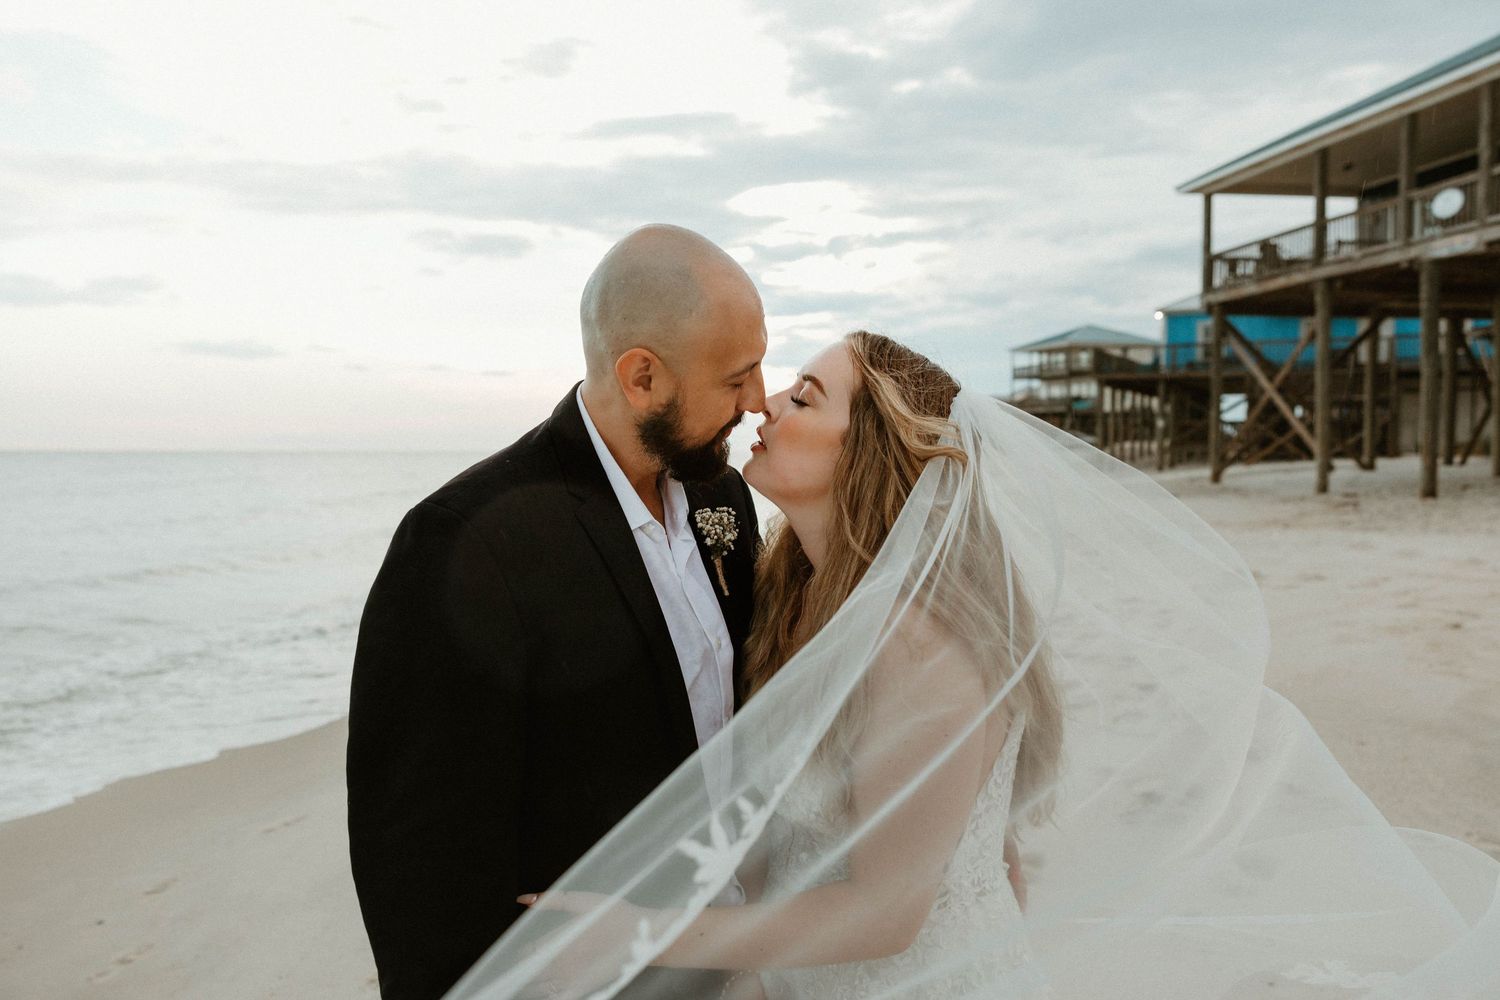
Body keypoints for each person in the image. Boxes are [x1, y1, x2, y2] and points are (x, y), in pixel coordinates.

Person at [452, 332, 1500, 1000]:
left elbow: (889, 911)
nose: (767, 406)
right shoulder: (785, 594)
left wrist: (642, 932)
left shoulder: (923, 638)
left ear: (871, 449)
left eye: (806, 397)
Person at [346, 223, 767, 1000]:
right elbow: (417, 862)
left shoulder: (724, 497)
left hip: (741, 957)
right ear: (642, 377)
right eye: (736, 378)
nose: (759, 400)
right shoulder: (466, 540)